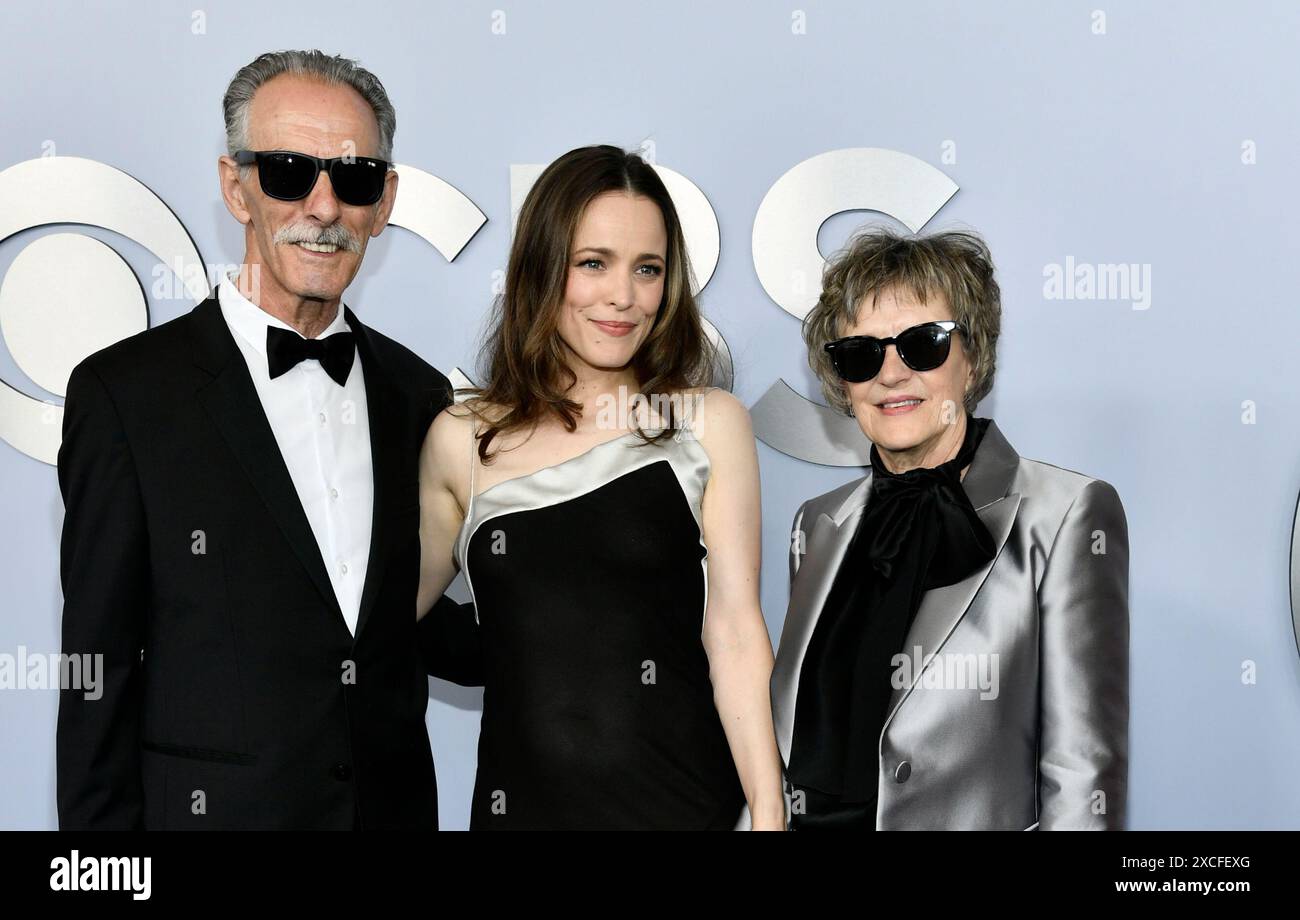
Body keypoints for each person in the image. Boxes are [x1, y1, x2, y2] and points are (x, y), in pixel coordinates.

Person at [56, 49, 480, 830]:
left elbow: (410, 624)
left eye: (352, 180)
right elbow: (97, 669)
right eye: (289, 171)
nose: (322, 207)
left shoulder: (420, 397)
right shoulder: (126, 395)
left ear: (383, 202)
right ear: (235, 187)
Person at [415, 145, 786, 830]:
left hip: (686, 809)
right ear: (541, 269)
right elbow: (377, 613)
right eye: (594, 264)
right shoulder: (461, 442)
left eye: (648, 270)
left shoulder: (705, 425)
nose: (624, 296)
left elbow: (734, 631)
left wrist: (769, 810)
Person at [771, 226, 1129, 829]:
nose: (890, 374)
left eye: (922, 345)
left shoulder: (1067, 515)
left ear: (973, 357)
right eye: (861, 354)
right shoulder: (818, 523)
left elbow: (1083, 773)